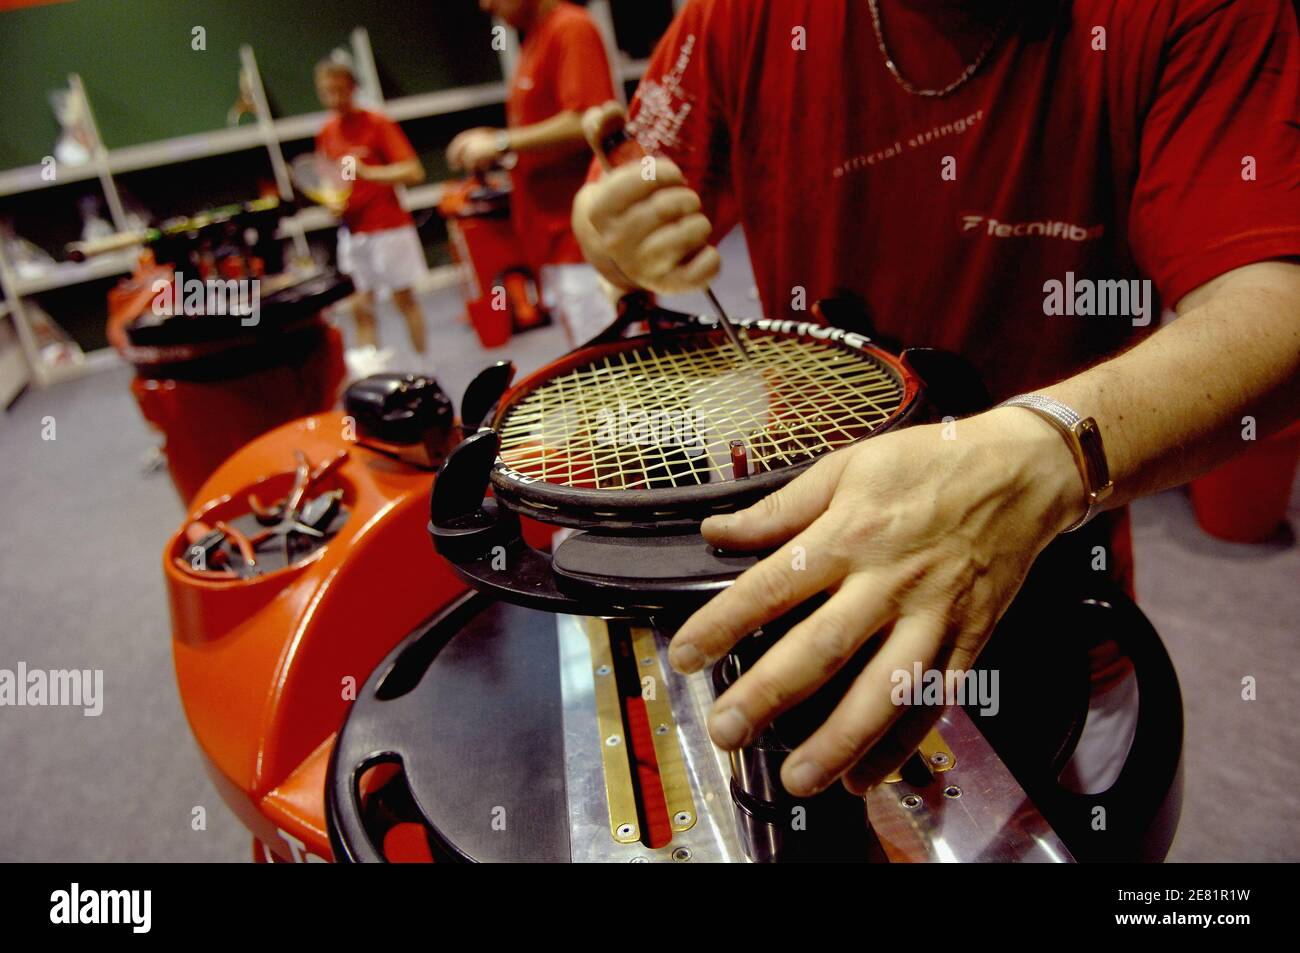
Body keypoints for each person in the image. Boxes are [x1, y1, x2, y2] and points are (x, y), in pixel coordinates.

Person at [573, 0, 1300, 798]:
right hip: (815, 585)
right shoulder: (738, 16)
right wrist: (615, 236)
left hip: (1059, 603)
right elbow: (629, 189)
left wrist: (1038, 451)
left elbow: (1273, 301)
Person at [447, 0, 618, 345]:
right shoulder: (532, 40)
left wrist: (499, 143)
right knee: (590, 364)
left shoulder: (570, 28)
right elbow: (539, 135)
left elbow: (588, 120)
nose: (484, 5)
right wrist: (495, 145)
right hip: (553, 240)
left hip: (583, 242)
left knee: (614, 364)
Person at [315, 58, 429, 366]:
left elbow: (414, 172)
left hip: (389, 228)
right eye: (326, 92)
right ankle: (372, 376)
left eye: (339, 90)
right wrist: (330, 201)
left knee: (404, 301)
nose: (334, 99)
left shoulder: (378, 123)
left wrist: (370, 173)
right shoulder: (325, 132)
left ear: (352, 88)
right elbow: (330, 181)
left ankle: (424, 367)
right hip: (352, 233)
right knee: (358, 308)